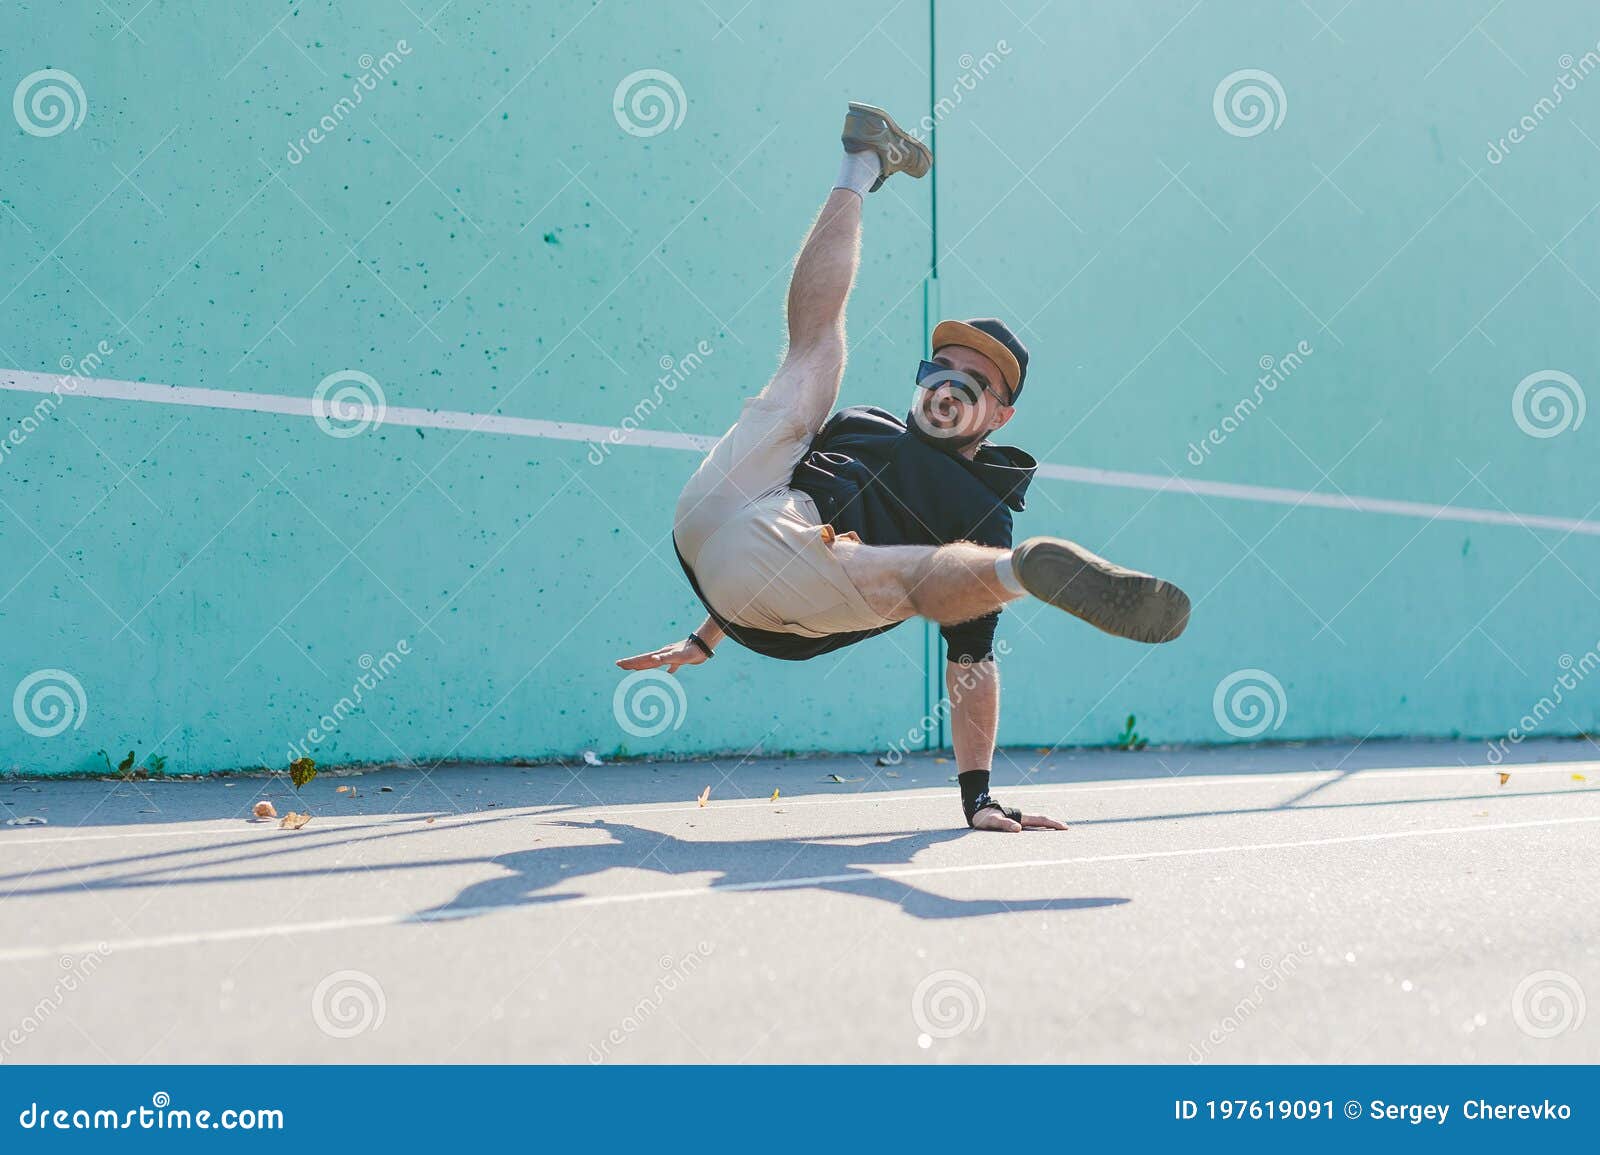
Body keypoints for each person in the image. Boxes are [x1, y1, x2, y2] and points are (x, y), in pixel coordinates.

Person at [618, 103, 1189, 833]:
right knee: (813, 351)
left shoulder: (982, 507)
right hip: (719, 521)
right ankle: (861, 161)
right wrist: (706, 634)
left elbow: (970, 668)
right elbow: (762, 532)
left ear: (1001, 416)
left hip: (788, 591)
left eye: (975, 383)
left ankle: (1015, 571)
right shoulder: (859, 423)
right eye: (940, 367)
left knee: (919, 574)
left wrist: (976, 795)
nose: (949, 385)